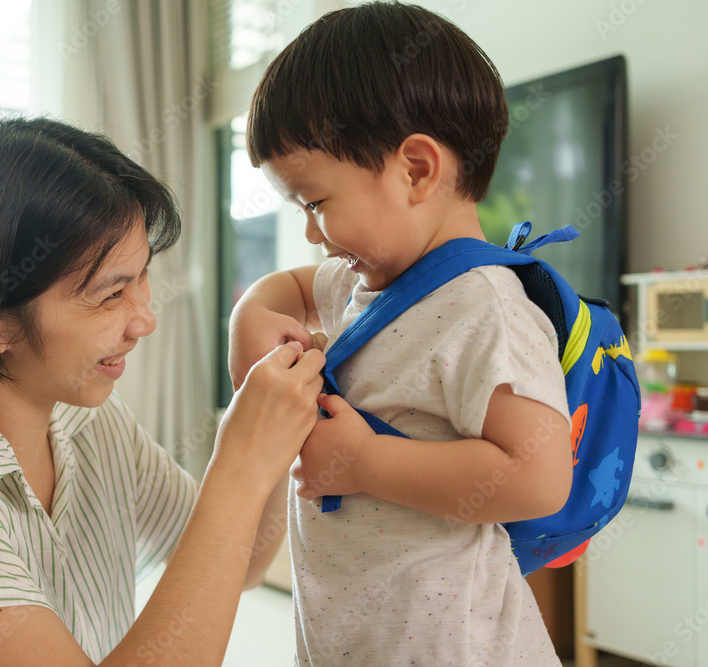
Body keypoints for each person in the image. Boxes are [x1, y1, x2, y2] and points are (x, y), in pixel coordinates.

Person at [0, 117, 325, 666]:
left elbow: (242, 562)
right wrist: (240, 464)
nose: (144, 321)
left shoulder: (87, 423)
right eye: (110, 295)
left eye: (142, 277)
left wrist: (268, 428)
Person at [228, 3, 574, 665]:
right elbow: (293, 288)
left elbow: (537, 476)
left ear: (416, 170)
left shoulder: (484, 306)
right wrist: (252, 317)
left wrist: (363, 463)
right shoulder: (363, 282)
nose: (311, 233)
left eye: (317, 204)